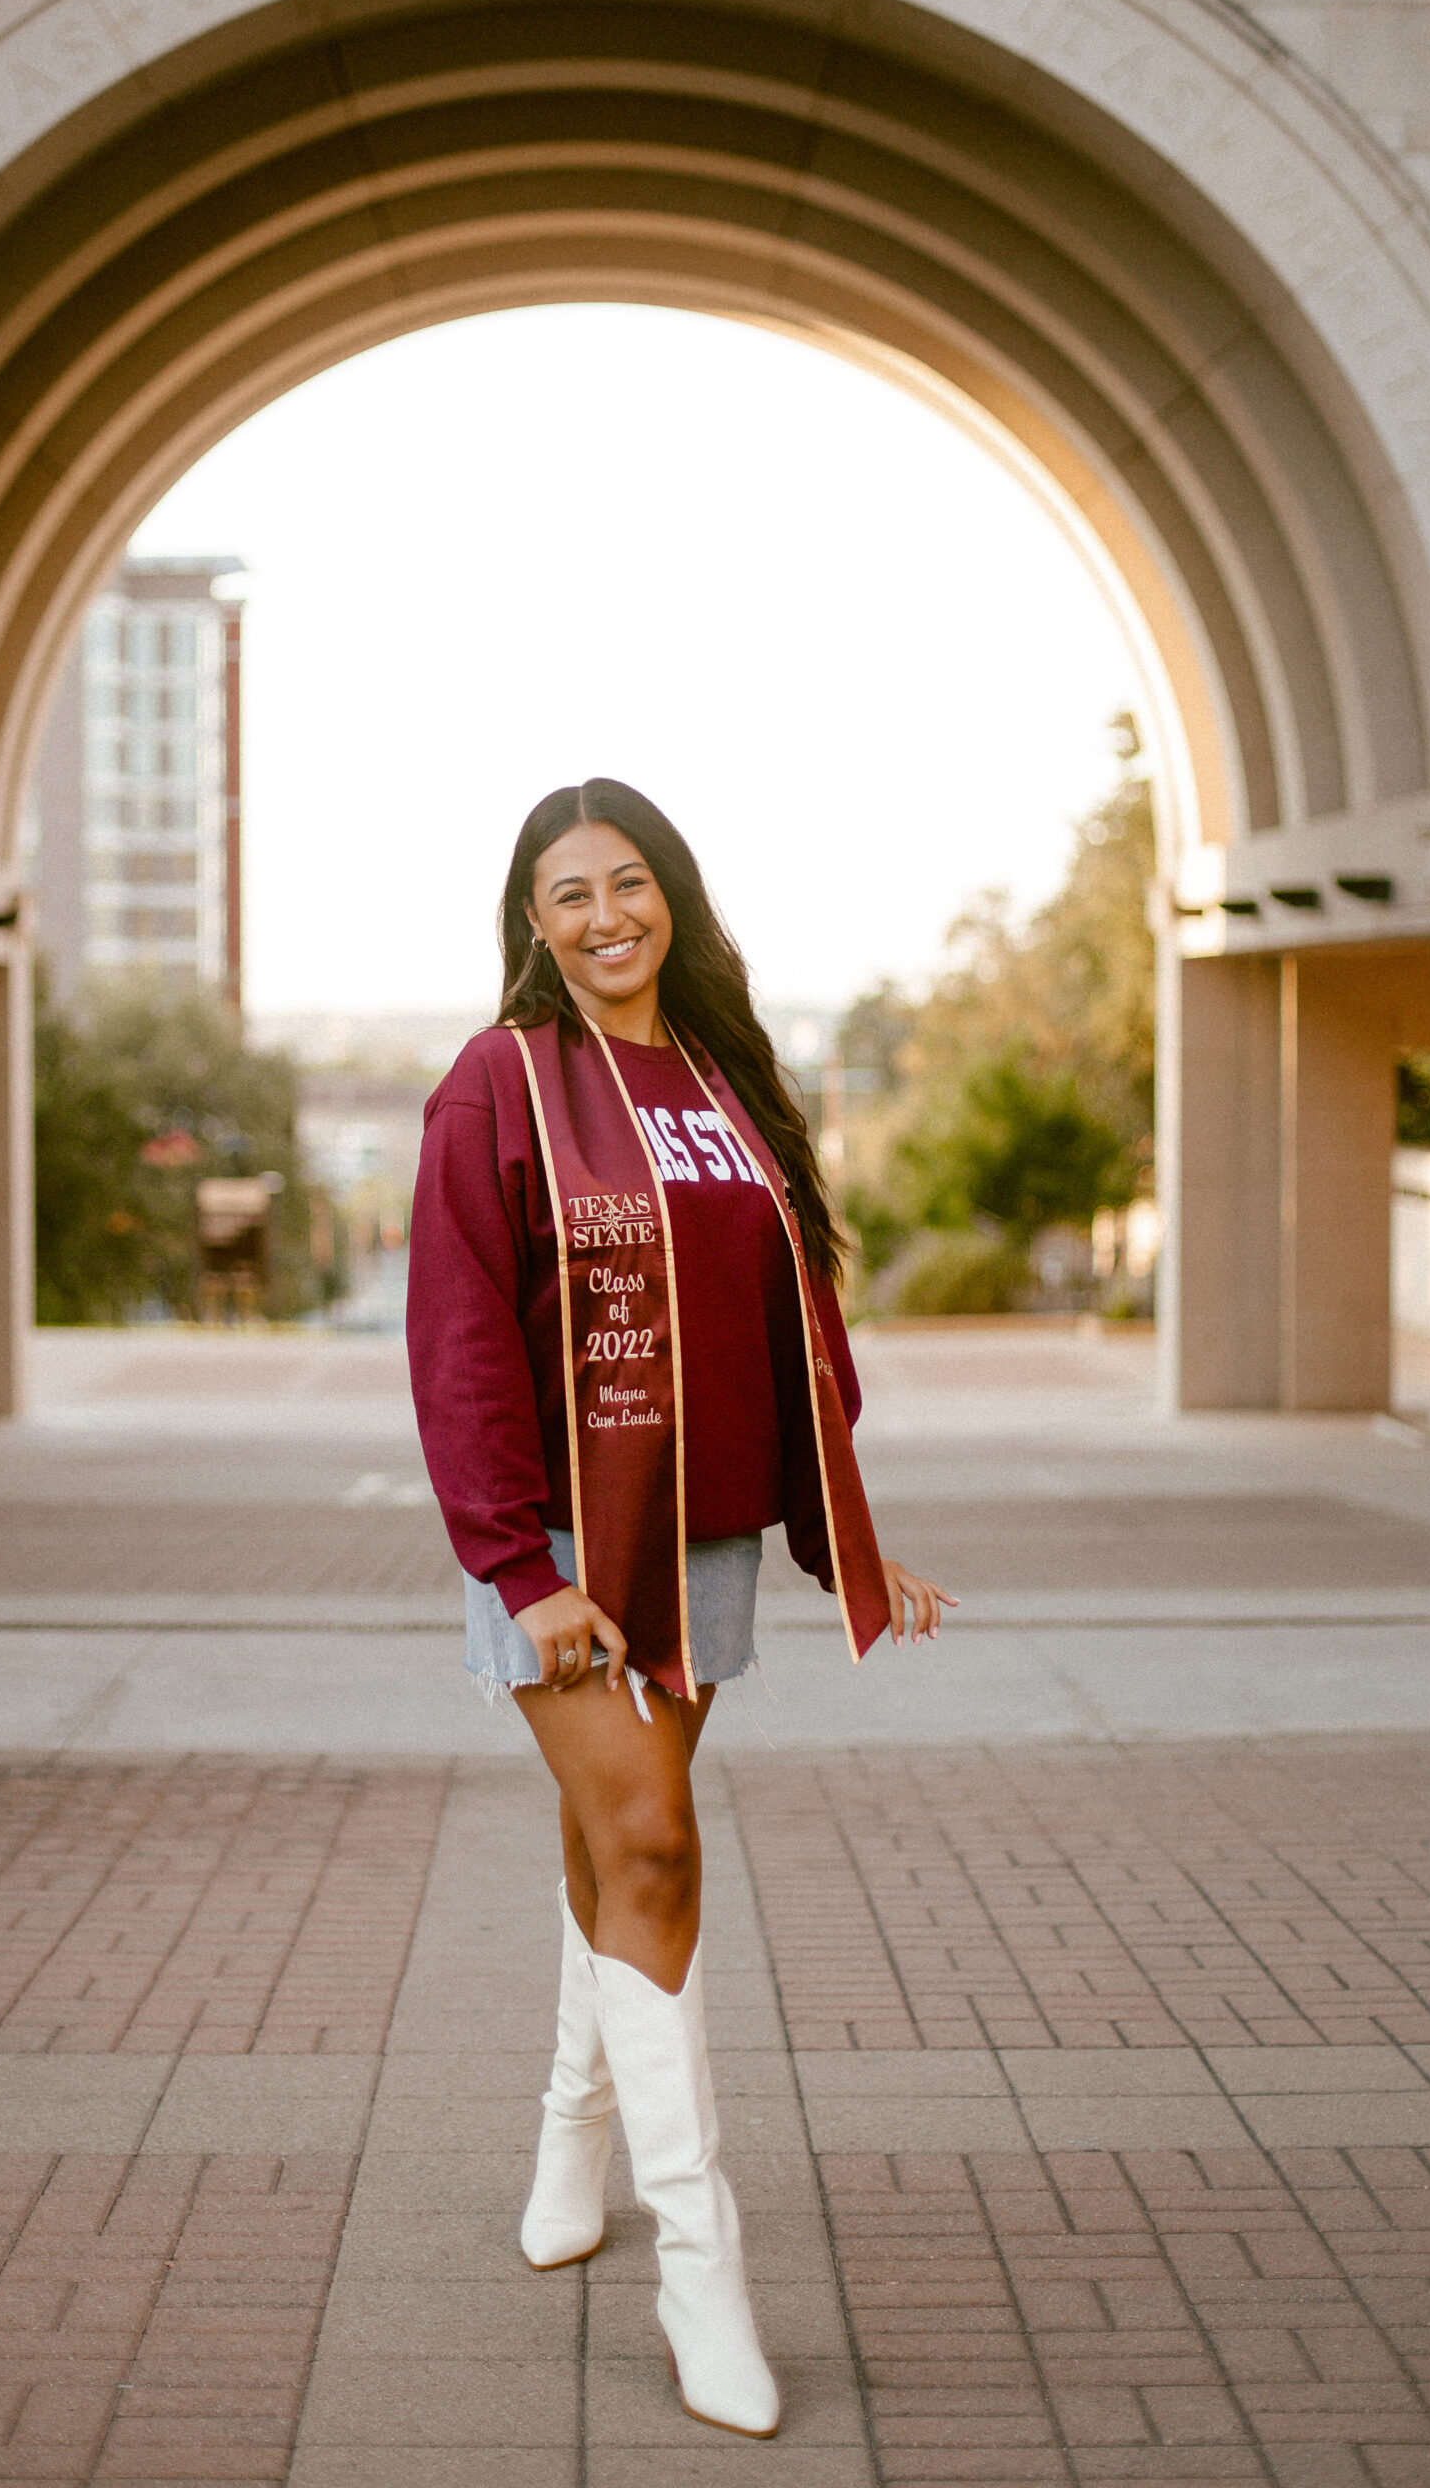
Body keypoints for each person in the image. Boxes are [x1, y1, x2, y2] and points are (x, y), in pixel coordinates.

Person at [406, 779, 954, 2439]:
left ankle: (575, 2127)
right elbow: (456, 1339)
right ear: (530, 923)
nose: (602, 918)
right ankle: (699, 2270)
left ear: (672, 898)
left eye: (626, 884)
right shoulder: (499, 1086)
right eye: (565, 895)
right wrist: (521, 1566)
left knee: (612, 1840)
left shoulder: (724, 1080)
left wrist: (836, 1529)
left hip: (701, 1536)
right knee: (650, 1844)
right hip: (569, 1549)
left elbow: (795, 1315)